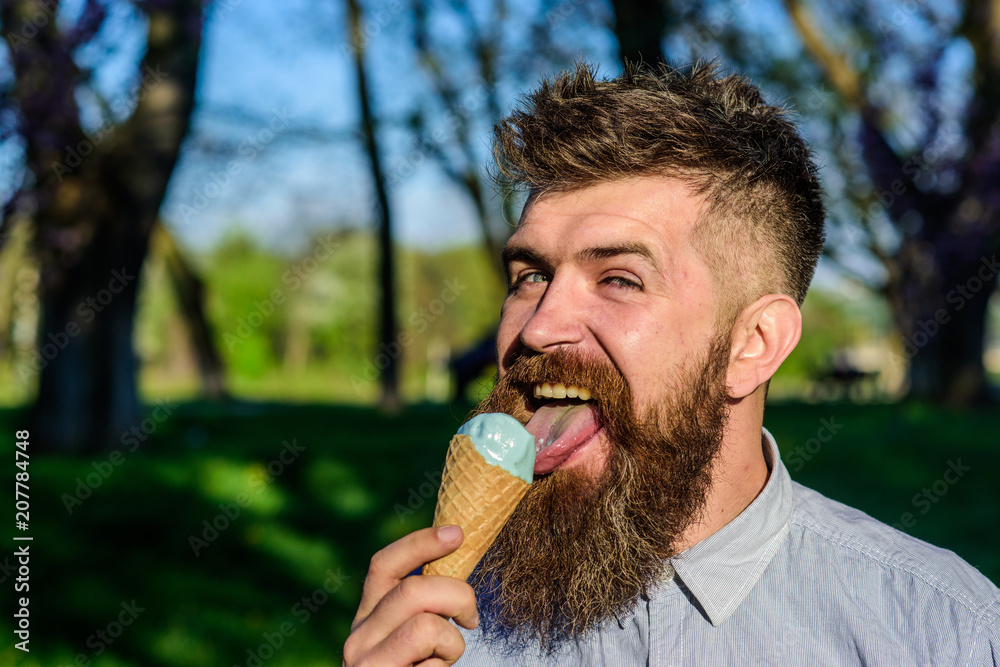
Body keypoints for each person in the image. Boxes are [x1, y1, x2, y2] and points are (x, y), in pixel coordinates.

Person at [343, 61, 1000, 665]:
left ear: (754, 343)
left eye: (619, 279)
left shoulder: (942, 634)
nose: (538, 327)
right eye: (530, 275)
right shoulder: (438, 627)